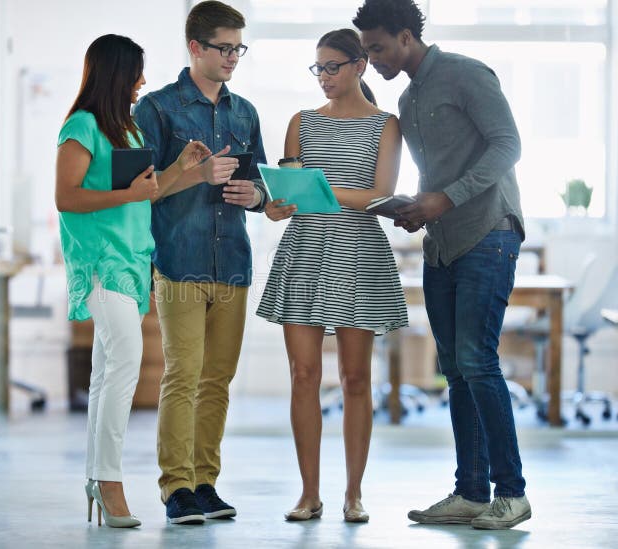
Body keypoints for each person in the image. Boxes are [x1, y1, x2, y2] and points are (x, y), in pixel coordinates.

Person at [355, 0, 532, 530]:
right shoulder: (407, 101)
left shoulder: (465, 74)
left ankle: (513, 493)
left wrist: (445, 199)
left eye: (378, 49)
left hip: (489, 233)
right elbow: (437, 177)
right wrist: (417, 208)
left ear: (406, 37)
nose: (374, 61)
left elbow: (508, 146)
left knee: (478, 361)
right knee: (454, 369)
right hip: (441, 243)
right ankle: (472, 492)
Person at [55, 34, 209, 529]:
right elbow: (67, 198)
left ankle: (95, 478)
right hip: (100, 262)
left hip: (131, 260)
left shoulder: (128, 131)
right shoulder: (81, 127)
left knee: (107, 373)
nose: (143, 81)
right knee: (123, 367)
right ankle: (109, 481)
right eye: (137, 73)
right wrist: (126, 193)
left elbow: (149, 191)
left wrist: (183, 169)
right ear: (116, 74)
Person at [257, 28, 408, 523]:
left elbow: (383, 197)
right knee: (303, 376)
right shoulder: (301, 123)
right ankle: (308, 493)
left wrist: (321, 189)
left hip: (357, 257)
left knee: (356, 379)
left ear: (360, 65)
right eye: (317, 68)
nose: (323, 77)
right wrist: (276, 206)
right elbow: (285, 200)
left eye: (332, 67)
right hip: (304, 253)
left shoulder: (387, 126)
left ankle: (354, 494)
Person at [133, 0, 268, 525]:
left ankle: (206, 482)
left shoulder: (245, 113)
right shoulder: (158, 109)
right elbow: (138, 190)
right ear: (195, 47)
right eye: (224, 47)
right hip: (178, 260)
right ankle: (176, 488)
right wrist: (193, 174)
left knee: (217, 380)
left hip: (232, 261)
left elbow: (261, 187)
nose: (233, 56)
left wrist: (252, 196)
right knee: (182, 375)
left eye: (239, 47)